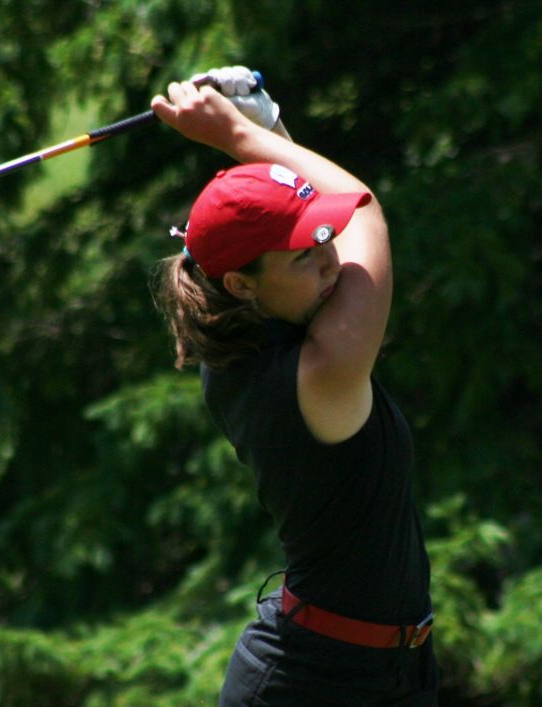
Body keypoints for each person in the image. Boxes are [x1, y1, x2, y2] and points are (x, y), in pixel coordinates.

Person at [149, 67, 438, 705]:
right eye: (306, 255)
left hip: (382, 671)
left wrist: (264, 122)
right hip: (312, 685)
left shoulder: (245, 330)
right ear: (242, 285)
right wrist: (233, 135)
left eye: (325, 240)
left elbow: (330, 211)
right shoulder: (319, 371)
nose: (331, 259)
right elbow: (364, 207)